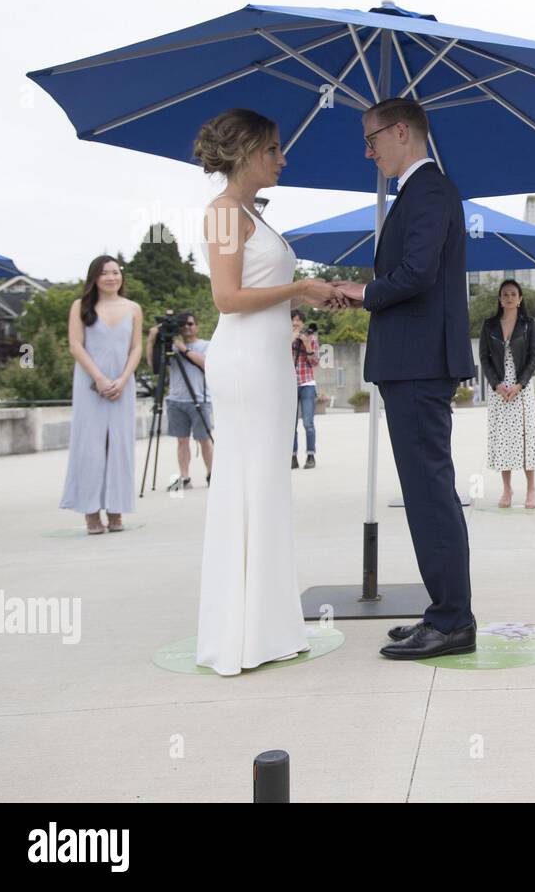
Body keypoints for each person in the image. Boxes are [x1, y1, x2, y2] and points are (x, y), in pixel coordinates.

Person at [193, 107, 344, 676]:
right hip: (244, 362)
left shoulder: (251, 214)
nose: (283, 159)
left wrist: (305, 295)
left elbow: (264, 288)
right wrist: (299, 285)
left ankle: (268, 624)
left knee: (266, 485)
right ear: (243, 153)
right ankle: (244, 632)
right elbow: (226, 298)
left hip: (268, 361)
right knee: (248, 483)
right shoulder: (225, 214)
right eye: (273, 149)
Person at [332, 97, 477, 661]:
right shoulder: (418, 193)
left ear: (400, 132)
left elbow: (417, 273)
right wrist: (366, 293)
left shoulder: (431, 190)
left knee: (429, 492)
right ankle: (445, 610)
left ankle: (452, 621)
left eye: (371, 140)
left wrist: (363, 292)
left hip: (419, 364)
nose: (367, 152)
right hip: (412, 362)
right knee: (423, 492)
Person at [60, 256, 143, 533]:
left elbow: (136, 348)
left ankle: (117, 510)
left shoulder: (133, 308)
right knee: (90, 448)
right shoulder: (80, 306)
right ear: (94, 277)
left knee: (120, 447)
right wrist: (98, 377)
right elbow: (75, 345)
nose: (111, 277)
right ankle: (91, 512)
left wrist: (121, 379)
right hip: (89, 385)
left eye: (116, 272)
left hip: (122, 387)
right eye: (105, 273)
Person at [480, 280, 535, 508]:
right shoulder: (489, 326)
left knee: (525, 438)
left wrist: (520, 384)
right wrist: (496, 384)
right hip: (499, 389)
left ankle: (531, 488)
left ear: (520, 299)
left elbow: (534, 356)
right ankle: (507, 488)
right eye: (504, 294)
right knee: (504, 439)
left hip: (521, 389)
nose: (509, 297)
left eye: (513, 294)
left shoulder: (529, 324)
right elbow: (484, 358)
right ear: (499, 299)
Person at [145, 312, 213, 489]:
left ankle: (211, 473)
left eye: (190, 324)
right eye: (183, 325)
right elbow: (154, 366)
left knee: (204, 439)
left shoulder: (205, 344)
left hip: (200, 398)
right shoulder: (171, 348)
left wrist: (183, 349)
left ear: (196, 326)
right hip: (176, 400)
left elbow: (206, 364)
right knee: (181, 441)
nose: (187, 328)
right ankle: (184, 477)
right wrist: (151, 340)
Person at [290, 308, 320, 469]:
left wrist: (307, 346)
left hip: (307, 383)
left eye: (299, 320)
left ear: (302, 323)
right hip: (289, 385)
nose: (296, 323)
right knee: (291, 424)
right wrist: (291, 340)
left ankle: (310, 455)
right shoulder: (283, 338)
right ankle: (293, 457)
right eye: (293, 320)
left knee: (308, 422)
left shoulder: (310, 338)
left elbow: (315, 363)